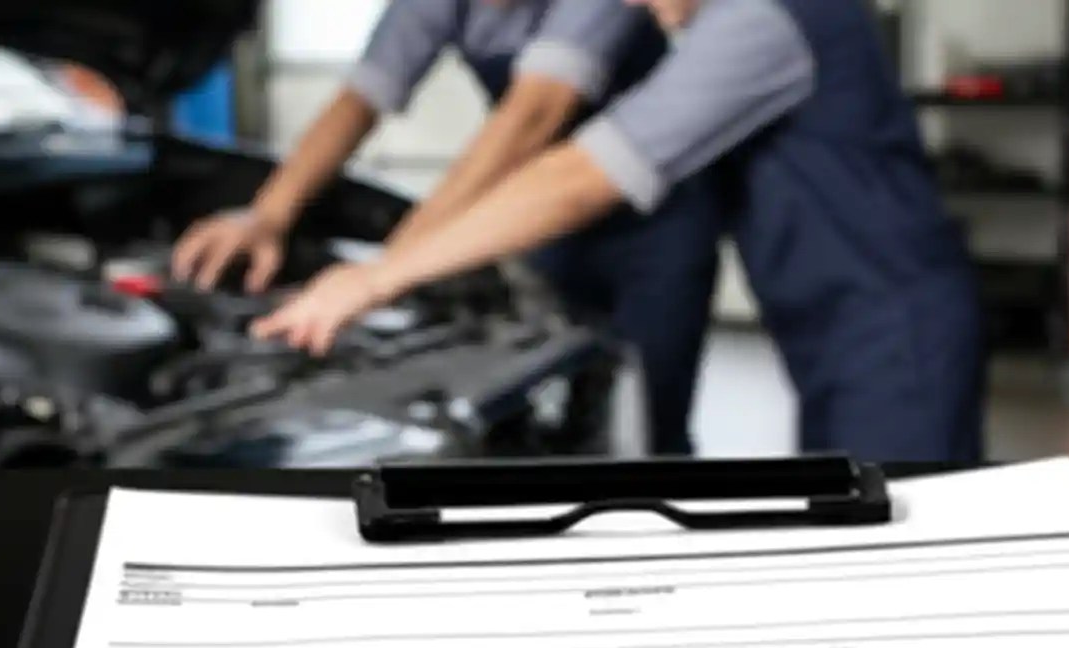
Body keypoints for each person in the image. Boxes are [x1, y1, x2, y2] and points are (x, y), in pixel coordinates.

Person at [248, 0, 987, 463]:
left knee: (907, 546)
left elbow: (579, 173)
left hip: (893, 328)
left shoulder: (760, 22)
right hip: (834, 325)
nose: (635, 8)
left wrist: (382, 274)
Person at [172, 0, 723, 455]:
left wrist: (381, 274)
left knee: (650, 421)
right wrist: (269, 213)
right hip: (536, 223)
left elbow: (533, 116)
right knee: (560, 415)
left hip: (657, 226)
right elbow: (359, 99)